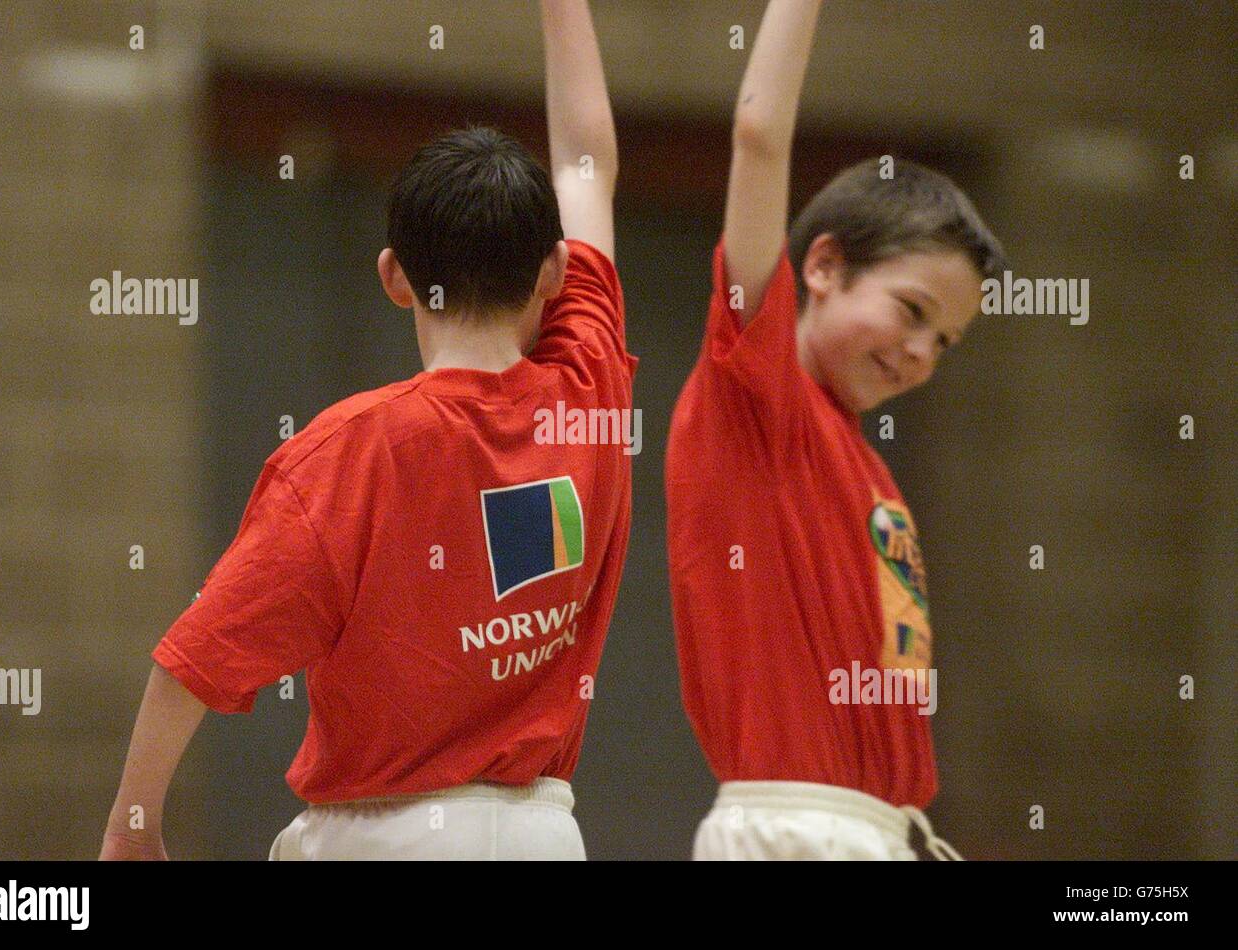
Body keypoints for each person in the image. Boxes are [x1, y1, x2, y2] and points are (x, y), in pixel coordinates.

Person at [101, 0, 635, 861]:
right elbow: (584, 160)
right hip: (545, 837)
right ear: (555, 272)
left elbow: (193, 660)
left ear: (394, 278)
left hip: (383, 840)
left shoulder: (341, 453)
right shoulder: (592, 388)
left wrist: (133, 826)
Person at [665, 0, 1008, 860]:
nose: (922, 352)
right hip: (794, 830)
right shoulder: (758, 398)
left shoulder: (869, 471)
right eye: (912, 311)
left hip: (880, 832)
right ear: (821, 266)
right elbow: (758, 135)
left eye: (946, 340)